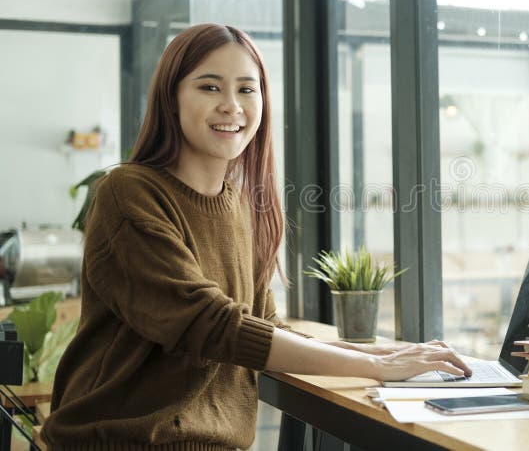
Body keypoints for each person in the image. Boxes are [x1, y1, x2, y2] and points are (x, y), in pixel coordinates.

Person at [42, 23, 471, 450]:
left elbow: (262, 326)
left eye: (247, 90)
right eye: (209, 87)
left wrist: (383, 357)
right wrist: (374, 368)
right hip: (117, 441)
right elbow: (208, 325)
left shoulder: (240, 205)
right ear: (171, 99)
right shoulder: (129, 192)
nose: (231, 105)